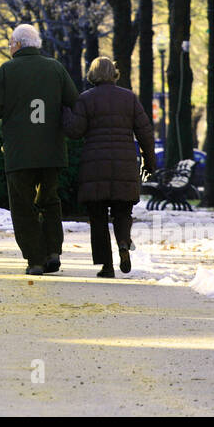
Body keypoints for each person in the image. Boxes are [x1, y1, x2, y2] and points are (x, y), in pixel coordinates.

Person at [0, 23, 79, 276]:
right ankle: (53, 251)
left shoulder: (7, 71)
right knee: (49, 201)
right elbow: (73, 99)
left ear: (17, 45)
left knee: (23, 206)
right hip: (52, 150)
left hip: (19, 152)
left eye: (11, 43)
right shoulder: (55, 68)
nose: (10, 47)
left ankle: (35, 260)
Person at [62, 56, 158, 278]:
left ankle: (107, 266)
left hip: (95, 168)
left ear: (93, 74)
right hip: (125, 165)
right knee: (123, 211)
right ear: (114, 73)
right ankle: (123, 243)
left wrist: (65, 112)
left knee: (98, 217)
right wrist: (149, 162)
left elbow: (75, 131)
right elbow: (145, 133)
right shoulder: (129, 98)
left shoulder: (86, 99)